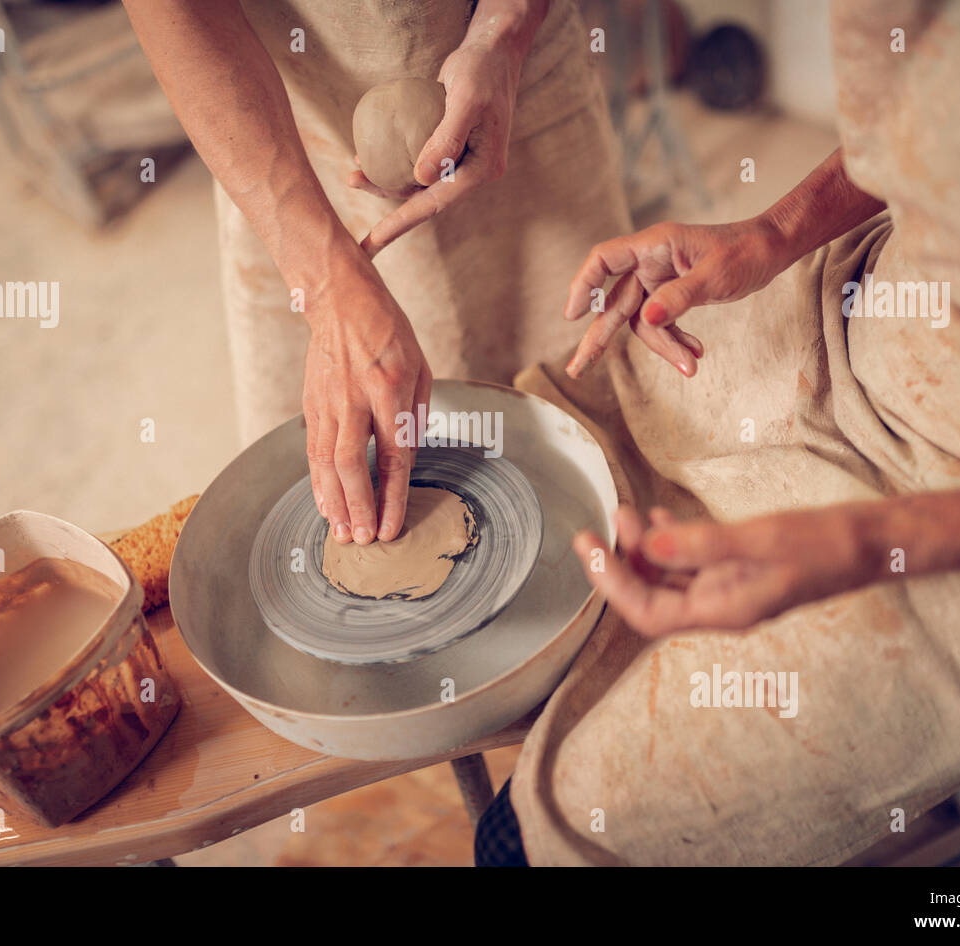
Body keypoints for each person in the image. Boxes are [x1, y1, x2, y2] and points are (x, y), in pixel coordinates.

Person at [480, 0, 960, 866]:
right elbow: (958, 124)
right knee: (557, 434)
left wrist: (865, 540)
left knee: (545, 835)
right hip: (891, 314)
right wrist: (774, 232)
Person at [122, 0, 631, 546]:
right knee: (346, 445)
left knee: (587, 428)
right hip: (280, 136)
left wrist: (500, 37)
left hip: (513, 82)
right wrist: (323, 284)